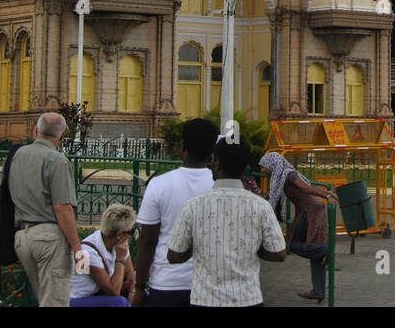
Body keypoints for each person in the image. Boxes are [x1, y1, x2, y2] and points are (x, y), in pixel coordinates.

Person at [166, 138, 286, 307]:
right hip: (247, 299)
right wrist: (254, 249)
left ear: (217, 164)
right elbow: (279, 253)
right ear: (244, 167)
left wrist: (198, 246)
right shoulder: (261, 206)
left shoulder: (194, 205)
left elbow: (174, 255)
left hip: (205, 300)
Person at [130, 117, 217, 307]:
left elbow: (147, 241)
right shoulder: (220, 188)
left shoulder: (159, 185)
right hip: (210, 286)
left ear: (182, 147)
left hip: (166, 284)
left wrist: (139, 286)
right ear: (212, 152)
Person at [8, 112, 86, 308]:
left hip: (22, 237)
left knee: (43, 297)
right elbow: (62, 208)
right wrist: (77, 248)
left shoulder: (17, 156)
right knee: (54, 302)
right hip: (48, 238)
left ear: (36, 129)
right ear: (63, 135)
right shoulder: (57, 160)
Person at [259, 151, 337, 302]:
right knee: (315, 251)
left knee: (291, 245)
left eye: (264, 167)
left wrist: (327, 194)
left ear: (272, 164)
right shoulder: (281, 176)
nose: (263, 171)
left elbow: (307, 188)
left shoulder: (288, 174)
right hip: (308, 209)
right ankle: (318, 291)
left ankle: (327, 249)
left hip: (310, 210)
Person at [70, 203, 136, 307]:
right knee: (119, 302)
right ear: (120, 235)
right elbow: (113, 291)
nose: (130, 235)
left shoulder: (120, 245)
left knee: (144, 296)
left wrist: (132, 292)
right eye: (131, 231)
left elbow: (131, 278)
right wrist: (120, 259)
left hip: (99, 297)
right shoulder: (86, 252)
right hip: (76, 300)